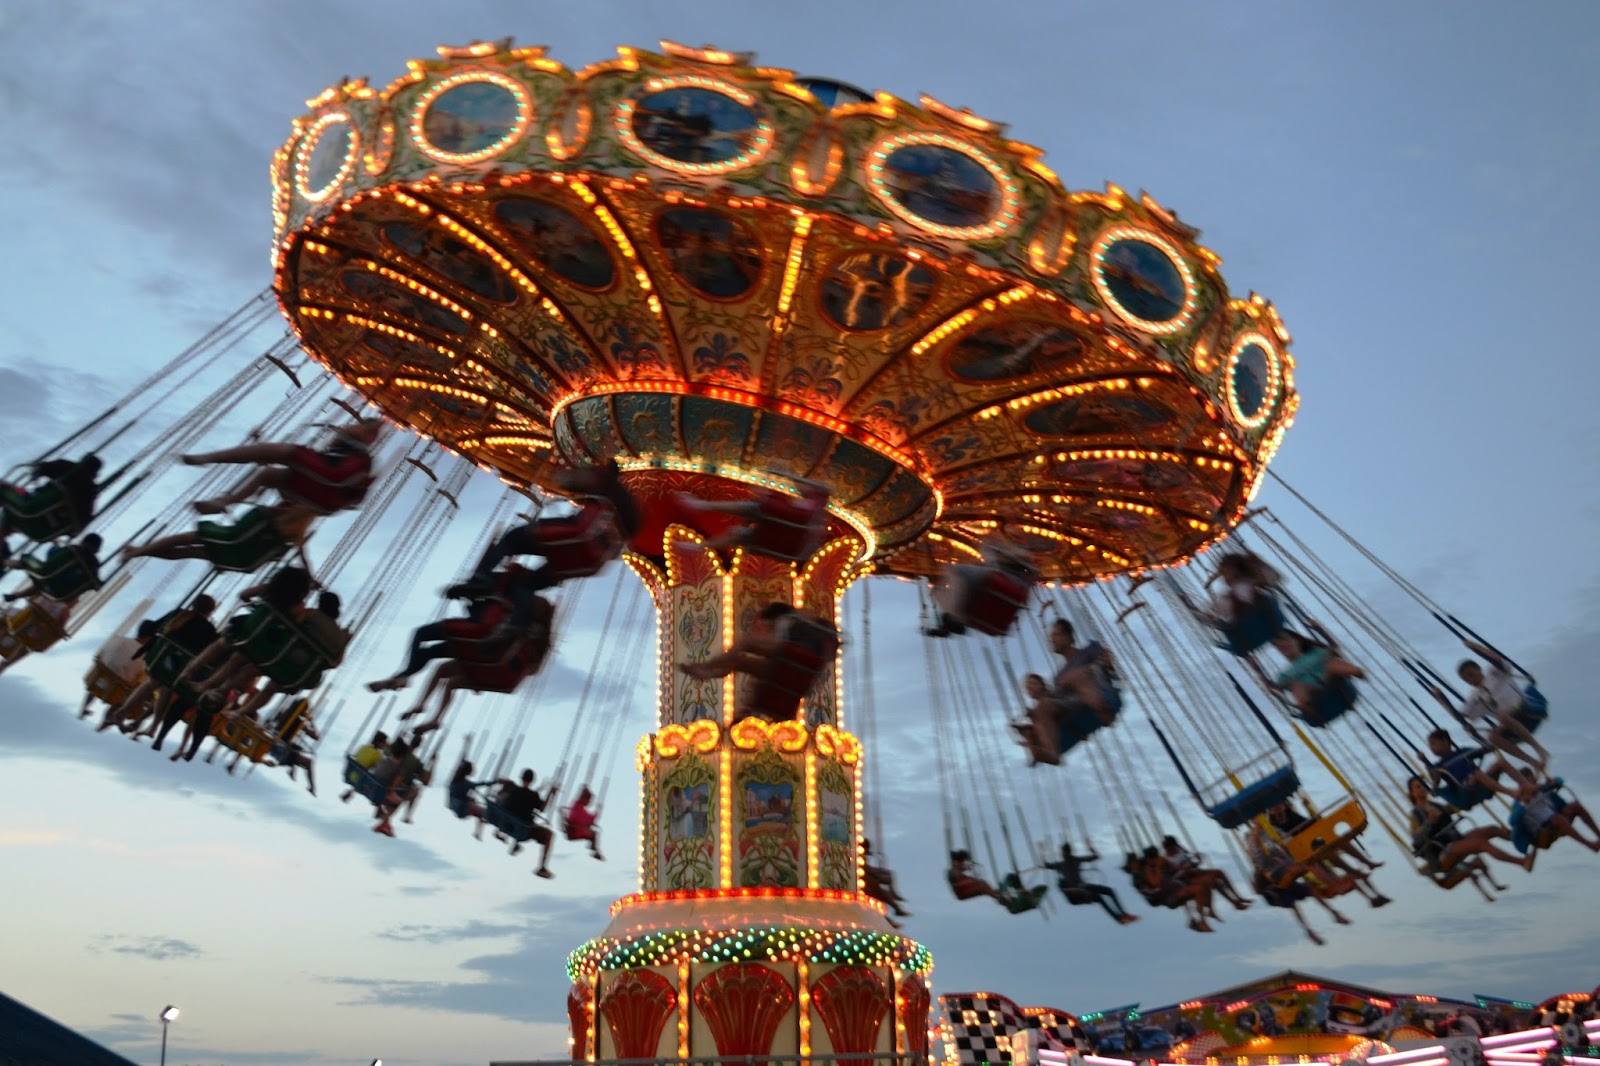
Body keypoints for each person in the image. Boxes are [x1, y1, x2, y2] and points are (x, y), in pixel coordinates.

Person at [450, 460, 639, 596]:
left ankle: (482, 578)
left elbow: (570, 481)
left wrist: (558, 474)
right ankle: (505, 593)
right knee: (531, 582)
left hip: (580, 532)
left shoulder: (604, 479)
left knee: (513, 538)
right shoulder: (626, 506)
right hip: (592, 562)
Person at [181, 419, 380, 515]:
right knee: (267, 475)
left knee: (285, 451)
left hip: (332, 477)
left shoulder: (360, 456)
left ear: (367, 434)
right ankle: (225, 501)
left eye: (358, 425)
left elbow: (354, 485)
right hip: (322, 496)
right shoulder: (345, 450)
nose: (350, 425)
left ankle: (208, 458)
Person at [1431, 640, 1551, 770]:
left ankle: (1539, 750)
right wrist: (1441, 699)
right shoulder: (1475, 696)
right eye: (1466, 679)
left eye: (1471, 674)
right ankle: (1534, 763)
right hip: (1512, 723)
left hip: (1527, 708)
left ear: (1479, 669)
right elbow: (1460, 716)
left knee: (1502, 716)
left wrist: (1475, 647)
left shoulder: (1494, 672)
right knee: (1492, 737)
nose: (1471, 680)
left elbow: (1496, 658)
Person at [1405, 776, 1523, 897]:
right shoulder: (1415, 814)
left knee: (1492, 830)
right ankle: (1521, 862)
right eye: (1417, 787)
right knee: (1481, 844)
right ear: (1412, 793)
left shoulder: (1437, 806)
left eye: (1423, 785)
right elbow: (1417, 838)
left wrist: (1468, 792)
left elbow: (1456, 807)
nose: (1422, 788)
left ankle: (1522, 838)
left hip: (1456, 839)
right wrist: (1429, 822)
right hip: (1443, 850)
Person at [121, 501, 318, 573]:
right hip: (239, 557)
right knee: (188, 552)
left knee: (183, 540)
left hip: (232, 539)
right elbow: (303, 555)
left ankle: (135, 552)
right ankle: (135, 553)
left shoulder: (279, 514)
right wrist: (310, 576)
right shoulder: (298, 532)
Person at [673, 478, 830, 558]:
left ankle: (702, 506)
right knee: (738, 532)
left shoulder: (814, 505)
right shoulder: (814, 504)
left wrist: (771, 498)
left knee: (751, 509)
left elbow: (799, 507)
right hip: (780, 535)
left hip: (781, 522)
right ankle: (700, 545)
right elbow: (802, 490)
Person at [924, 536, 1037, 638]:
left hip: (1004, 579)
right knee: (936, 590)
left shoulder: (1014, 550)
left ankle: (954, 617)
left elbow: (1023, 560)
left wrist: (1000, 544)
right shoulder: (1003, 551)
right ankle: (952, 619)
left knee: (953, 570)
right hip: (994, 581)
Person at [0, 454, 103, 555]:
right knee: (12, 513)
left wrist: (37, 471)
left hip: (30, 511)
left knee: (7, 491)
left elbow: (41, 468)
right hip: (41, 533)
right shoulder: (90, 500)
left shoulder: (69, 468)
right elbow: (76, 530)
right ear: (95, 474)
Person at [1266, 626, 1364, 724]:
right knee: (1297, 686)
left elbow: (1334, 647)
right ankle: (1307, 706)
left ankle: (1355, 671)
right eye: (1277, 645)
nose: (1282, 644)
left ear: (1297, 641)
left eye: (1285, 639)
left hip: (1334, 684)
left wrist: (1319, 630)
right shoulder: (1284, 674)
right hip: (1314, 696)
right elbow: (1276, 689)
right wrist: (1258, 671)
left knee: (1331, 663)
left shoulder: (1316, 653)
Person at [1510, 768, 1600, 863]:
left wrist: (1555, 782)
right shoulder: (1519, 802)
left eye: (1531, 781)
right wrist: (1523, 806)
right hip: (1543, 832)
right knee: (1557, 818)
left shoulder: (1542, 789)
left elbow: (1558, 781)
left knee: (1575, 806)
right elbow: (1512, 821)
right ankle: (1590, 845)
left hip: (1557, 818)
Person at [1043, 842, 1137, 924]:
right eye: (1064, 852)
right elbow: (1046, 865)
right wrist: (1042, 851)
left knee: (1109, 891)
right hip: (1076, 891)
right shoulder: (1061, 864)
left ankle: (1123, 915)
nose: (1065, 854)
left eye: (1066, 852)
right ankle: (1119, 917)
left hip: (1083, 887)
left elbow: (1096, 856)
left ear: (1068, 852)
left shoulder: (1074, 860)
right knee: (1099, 897)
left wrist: (1091, 847)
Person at [487, 769, 556, 877]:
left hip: (509, 827)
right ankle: (542, 867)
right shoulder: (533, 795)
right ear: (532, 780)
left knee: (520, 819)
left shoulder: (512, 791)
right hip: (524, 831)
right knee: (549, 834)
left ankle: (515, 844)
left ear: (521, 778)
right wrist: (551, 794)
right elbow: (542, 809)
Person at [80, 618, 154, 718]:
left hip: (97, 678)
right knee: (134, 691)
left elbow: (100, 655)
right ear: (149, 638)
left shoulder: (118, 639)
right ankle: (110, 718)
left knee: (101, 679)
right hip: (116, 690)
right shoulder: (143, 658)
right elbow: (138, 681)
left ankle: (84, 707)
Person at [1425, 729, 1518, 808]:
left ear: (1445, 742)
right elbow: (1435, 781)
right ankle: (1510, 792)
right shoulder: (1439, 765)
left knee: (1500, 763)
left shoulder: (1462, 752)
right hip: (1464, 790)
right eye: (1430, 746)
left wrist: (1484, 741)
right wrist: (1425, 760)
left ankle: (1523, 783)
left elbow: (1483, 750)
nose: (1431, 748)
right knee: (1475, 774)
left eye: (1433, 744)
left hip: (1479, 782)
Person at [1160, 835, 1253, 911]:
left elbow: (1190, 857)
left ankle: (1238, 897)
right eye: (1171, 849)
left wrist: (1196, 857)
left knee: (1220, 873)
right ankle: (1235, 903)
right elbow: (1172, 877)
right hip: (1186, 878)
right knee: (1215, 882)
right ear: (1167, 848)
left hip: (1194, 871)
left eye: (1175, 847)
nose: (1174, 849)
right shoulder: (1166, 860)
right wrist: (1183, 870)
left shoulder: (1179, 849)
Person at [4, 534, 102, 602]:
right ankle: (16, 596)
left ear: (83, 541)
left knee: (25, 560)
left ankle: (4, 561)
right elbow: (92, 586)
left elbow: (52, 556)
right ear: (97, 550)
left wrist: (55, 545)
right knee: (42, 585)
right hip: (62, 594)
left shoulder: (73, 550)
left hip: (48, 575)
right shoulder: (94, 568)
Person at [861, 838, 911, 925]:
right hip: (865, 885)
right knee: (877, 893)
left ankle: (895, 905)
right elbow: (866, 869)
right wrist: (877, 876)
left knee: (881, 888)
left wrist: (878, 876)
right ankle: (893, 912)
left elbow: (867, 869)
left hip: (868, 883)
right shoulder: (856, 858)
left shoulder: (861, 858)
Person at [340, 729, 390, 803]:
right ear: (380, 743)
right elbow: (381, 768)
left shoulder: (363, 747)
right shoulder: (377, 755)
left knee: (363, 775)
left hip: (351, 774)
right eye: (385, 742)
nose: (386, 744)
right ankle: (380, 805)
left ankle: (350, 792)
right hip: (360, 780)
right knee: (380, 782)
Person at [447, 758, 488, 834]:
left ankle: (478, 830)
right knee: (483, 811)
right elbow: (478, 784)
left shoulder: (455, 780)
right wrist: (493, 782)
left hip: (455, 806)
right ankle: (479, 830)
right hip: (461, 808)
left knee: (475, 804)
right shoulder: (465, 784)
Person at [563, 786, 603, 860]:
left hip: (575, 830)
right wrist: (598, 812)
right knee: (594, 833)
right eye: (589, 800)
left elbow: (587, 819)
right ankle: (594, 850)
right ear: (583, 799)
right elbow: (590, 819)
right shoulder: (579, 808)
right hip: (575, 832)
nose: (589, 802)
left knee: (592, 832)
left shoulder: (576, 805)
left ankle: (593, 849)